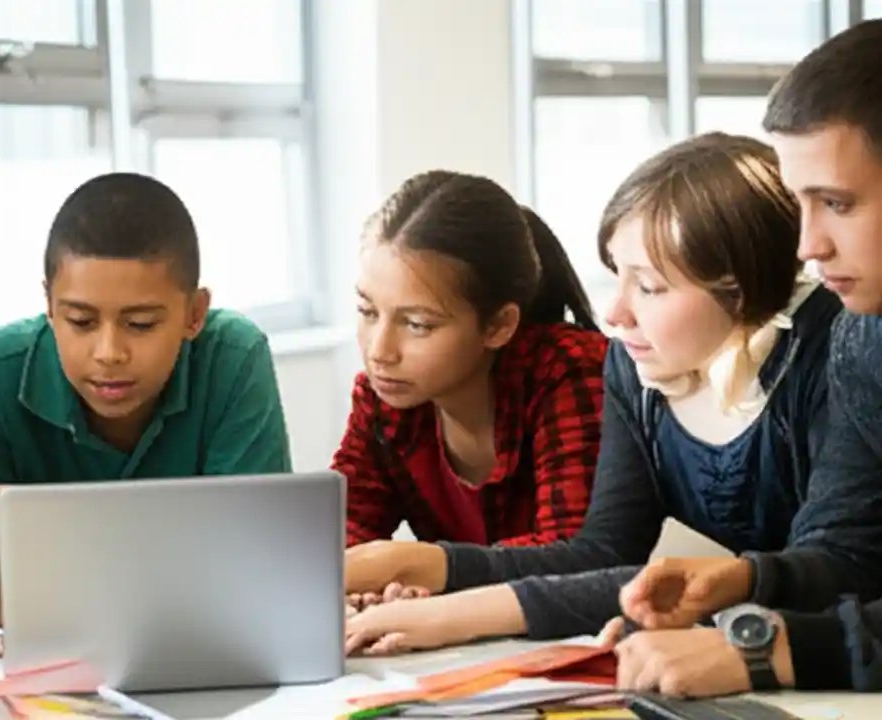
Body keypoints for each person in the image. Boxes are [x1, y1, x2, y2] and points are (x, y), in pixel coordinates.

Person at [343, 134, 852, 658]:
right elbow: (605, 551)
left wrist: (446, 606)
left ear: (739, 289)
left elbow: (836, 567)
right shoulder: (633, 368)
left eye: (649, 287)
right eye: (618, 277)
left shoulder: (836, 354)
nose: (616, 314)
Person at [606, 19, 882, 698]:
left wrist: (769, 651)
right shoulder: (864, 337)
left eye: (837, 204)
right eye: (799, 204)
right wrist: (746, 588)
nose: (808, 245)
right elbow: (854, 554)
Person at [0, 172, 293, 625]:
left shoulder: (234, 357)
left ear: (194, 314)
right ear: (50, 305)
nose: (109, 353)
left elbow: (252, 570)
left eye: (140, 324)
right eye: (80, 321)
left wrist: (39, 533)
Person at [336, 171, 607, 577]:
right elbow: (340, 536)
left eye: (419, 325)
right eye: (368, 312)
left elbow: (574, 559)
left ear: (498, 325)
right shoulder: (384, 401)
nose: (379, 352)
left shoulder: (570, 371)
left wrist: (425, 568)